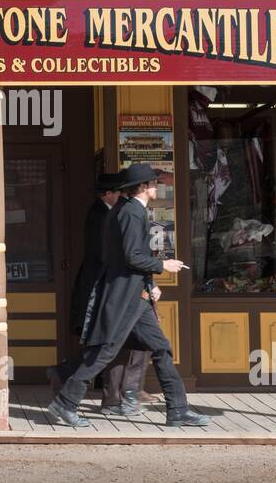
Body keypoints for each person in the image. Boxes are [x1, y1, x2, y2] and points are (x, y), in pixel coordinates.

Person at [46, 163, 209, 428]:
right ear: (143, 187)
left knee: (160, 348)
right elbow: (133, 256)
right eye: (154, 183)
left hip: (134, 295)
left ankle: (178, 410)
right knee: (105, 351)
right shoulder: (133, 213)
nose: (158, 186)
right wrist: (161, 266)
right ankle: (66, 402)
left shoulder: (126, 210)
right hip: (125, 297)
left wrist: (149, 283)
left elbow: (128, 257)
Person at [47, 172, 150, 416]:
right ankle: (115, 396)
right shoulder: (102, 215)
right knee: (109, 345)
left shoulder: (115, 212)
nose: (122, 196)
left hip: (118, 289)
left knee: (119, 344)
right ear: (107, 194)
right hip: (108, 290)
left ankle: (121, 395)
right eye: (118, 192)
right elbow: (109, 256)